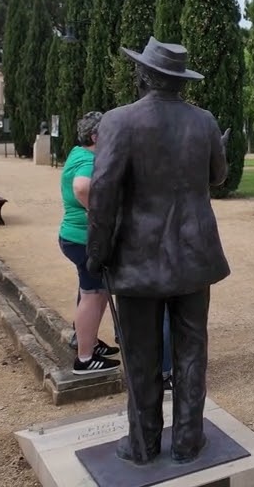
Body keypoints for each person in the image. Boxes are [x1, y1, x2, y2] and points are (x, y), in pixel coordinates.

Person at [86, 37, 231, 465]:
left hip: (138, 257)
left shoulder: (119, 120)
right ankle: (188, 440)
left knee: (141, 356)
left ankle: (144, 443)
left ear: (146, 74)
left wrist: (98, 252)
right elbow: (218, 177)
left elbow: (103, 191)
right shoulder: (204, 121)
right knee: (191, 352)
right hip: (194, 254)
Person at [58, 111, 121, 374]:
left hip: (75, 238)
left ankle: (91, 342)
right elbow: (82, 187)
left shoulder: (78, 152)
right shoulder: (89, 160)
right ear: (96, 136)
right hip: (84, 239)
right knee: (92, 295)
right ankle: (84, 359)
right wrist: (99, 215)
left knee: (99, 291)